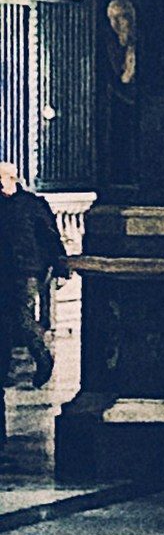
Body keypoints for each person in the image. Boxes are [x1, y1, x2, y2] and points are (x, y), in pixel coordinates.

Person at [0, 159, 67, 392]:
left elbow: (50, 237)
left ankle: (42, 356)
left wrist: (60, 266)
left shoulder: (32, 204)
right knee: (5, 322)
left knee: (22, 317)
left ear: (11, 179)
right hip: (5, 269)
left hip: (25, 269)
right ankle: (4, 371)